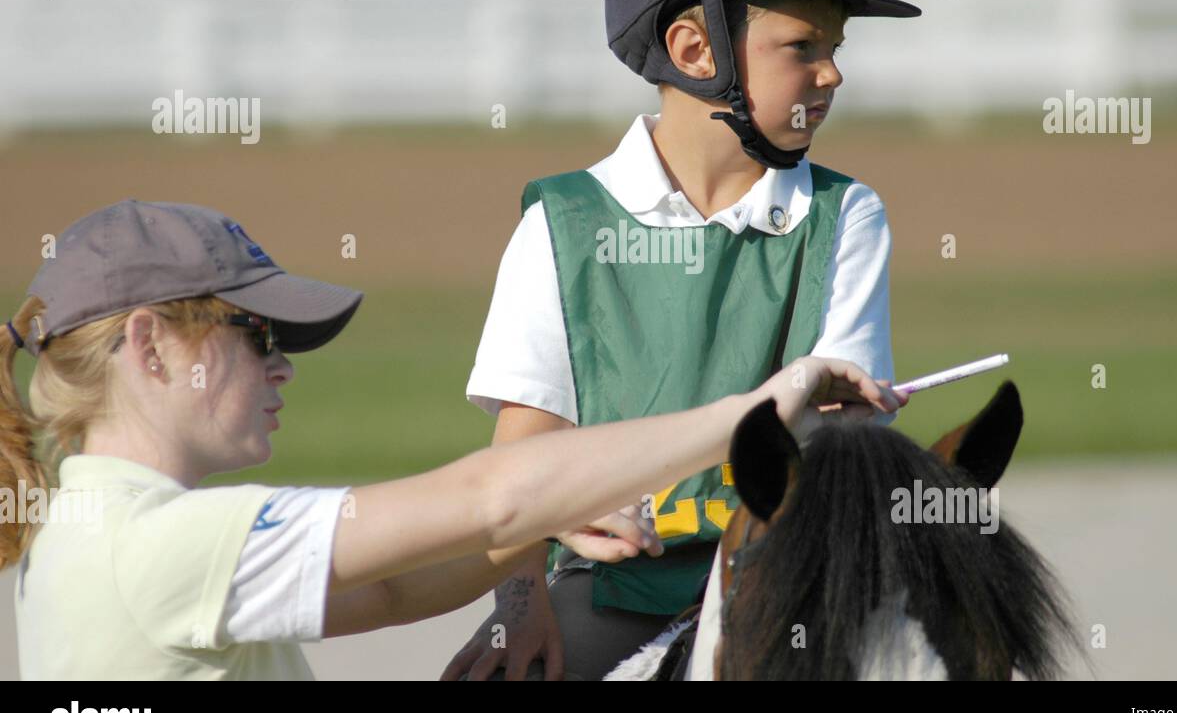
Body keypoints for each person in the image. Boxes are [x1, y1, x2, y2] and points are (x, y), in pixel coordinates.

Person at [0, 199, 897, 680]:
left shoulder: (95, 526)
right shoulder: (159, 544)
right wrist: (754, 412)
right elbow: (487, 495)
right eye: (257, 335)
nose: (283, 368)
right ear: (151, 345)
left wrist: (542, 529)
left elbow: (390, 588)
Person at [450, 0, 919, 681]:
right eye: (803, 47)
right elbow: (519, 468)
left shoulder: (850, 216)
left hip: (787, 588)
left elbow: (839, 456)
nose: (832, 74)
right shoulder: (558, 229)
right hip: (612, 593)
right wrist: (516, 611)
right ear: (694, 49)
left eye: (835, 50)